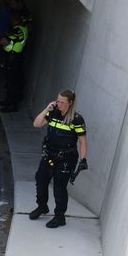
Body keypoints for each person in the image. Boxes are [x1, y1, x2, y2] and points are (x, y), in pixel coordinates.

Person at [30, 90, 88, 228]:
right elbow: (37, 124)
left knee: (59, 187)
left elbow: (83, 142)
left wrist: (83, 160)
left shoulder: (77, 119)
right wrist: (46, 109)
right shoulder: (53, 112)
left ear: (70, 103)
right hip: (49, 154)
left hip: (66, 158)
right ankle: (42, 206)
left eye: (62, 102)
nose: (59, 104)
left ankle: (60, 217)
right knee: (41, 180)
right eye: (58, 100)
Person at [0, 13, 29, 112]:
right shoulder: (20, 28)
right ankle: (8, 101)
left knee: (12, 83)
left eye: (12, 19)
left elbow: (4, 41)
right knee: (9, 81)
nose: (11, 21)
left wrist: (4, 37)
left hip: (14, 58)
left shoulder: (18, 30)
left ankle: (13, 106)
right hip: (13, 58)